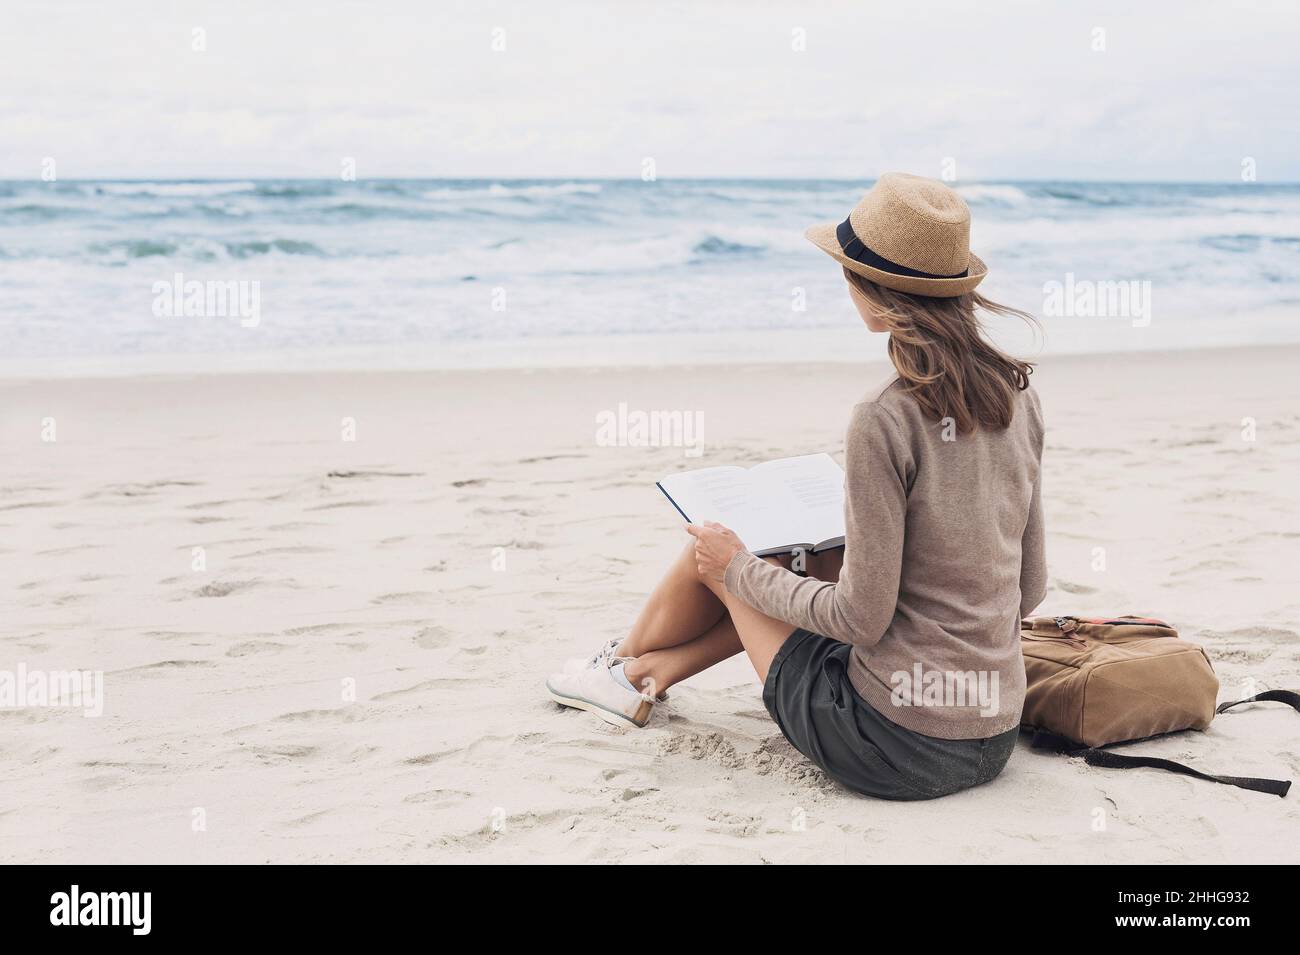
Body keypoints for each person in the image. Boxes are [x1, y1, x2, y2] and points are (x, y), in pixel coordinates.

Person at [546, 172, 1046, 800]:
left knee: (719, 553)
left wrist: (733, 569)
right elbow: (1029, 589)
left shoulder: (884, 417)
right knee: (804, 558)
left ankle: (616, 667)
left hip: (891, 745)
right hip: (990, 736)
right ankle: (644, 675)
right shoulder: (1018, 397)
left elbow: (861, 619)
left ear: (869, 289)